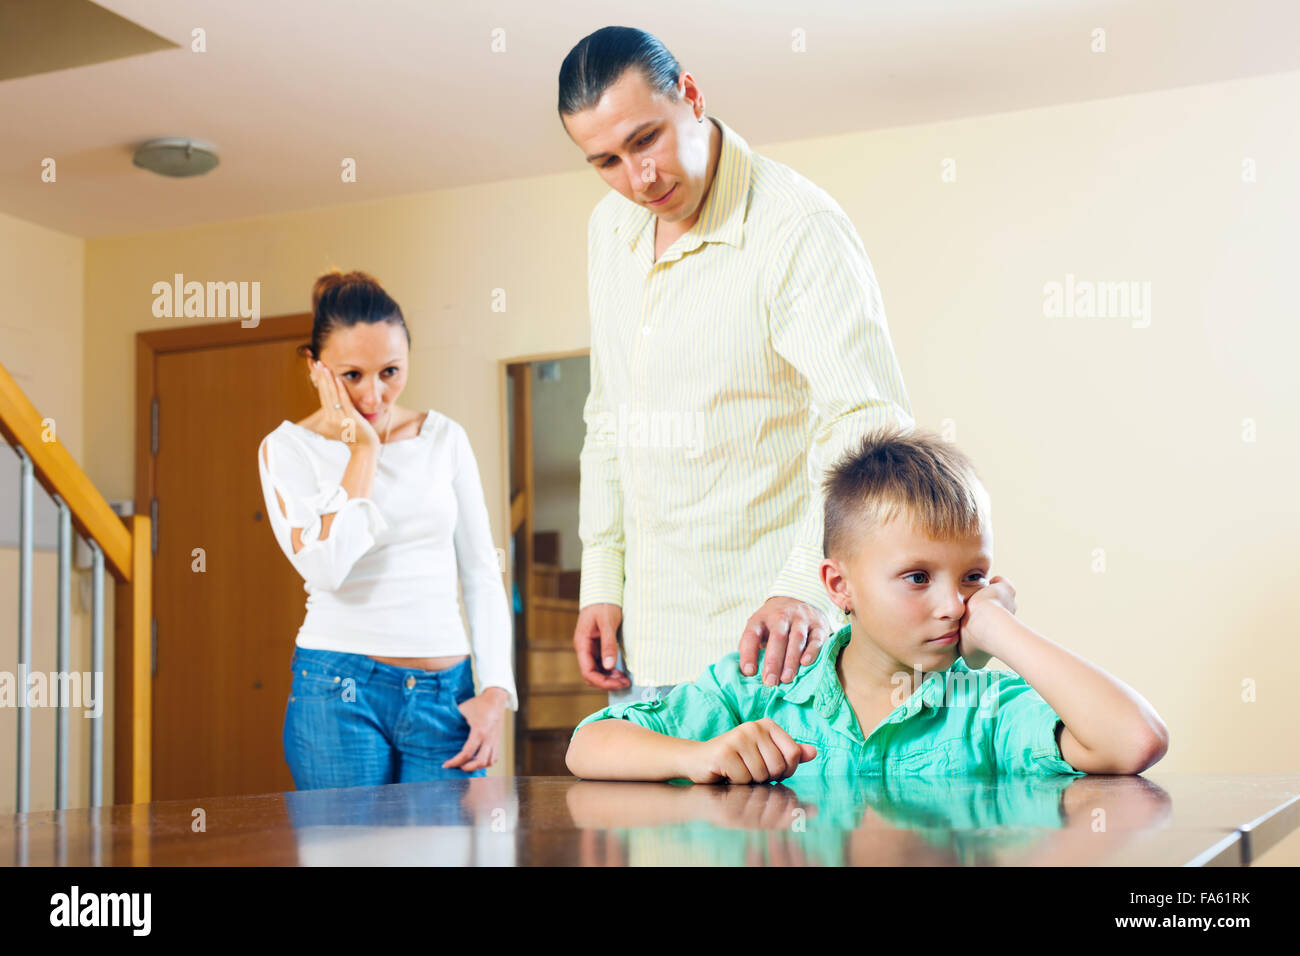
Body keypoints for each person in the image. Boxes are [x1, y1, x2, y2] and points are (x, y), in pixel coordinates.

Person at [558, 27, 915, 708]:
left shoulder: (798, 227)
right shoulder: (608, 230)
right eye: (605, 160)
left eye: (645, 139)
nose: (639, 179)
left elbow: (869, 427)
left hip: (774, 648)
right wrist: (601, 580)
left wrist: (802, 587)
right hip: (646, 648)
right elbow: (608, 415)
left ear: (690, 95)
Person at [565, 426, 1170, 782]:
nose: (953, 605)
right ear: (838, 587)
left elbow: (1133, 741)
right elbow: (587, 745)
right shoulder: (765, 687)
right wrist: (698, 756)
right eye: (916, 577)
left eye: (972, 577)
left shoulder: (986, 708)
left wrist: (1000, 626)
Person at [256, 269, 517, 788]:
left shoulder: (445, 439)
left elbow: (481, 572)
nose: (374, 395)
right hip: (336, 687)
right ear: (315, 368)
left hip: (447, 695)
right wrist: (362, 450)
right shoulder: (287, 449)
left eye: (390, 372)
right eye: (351, 375)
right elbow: (327, 568)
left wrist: (496, 691)